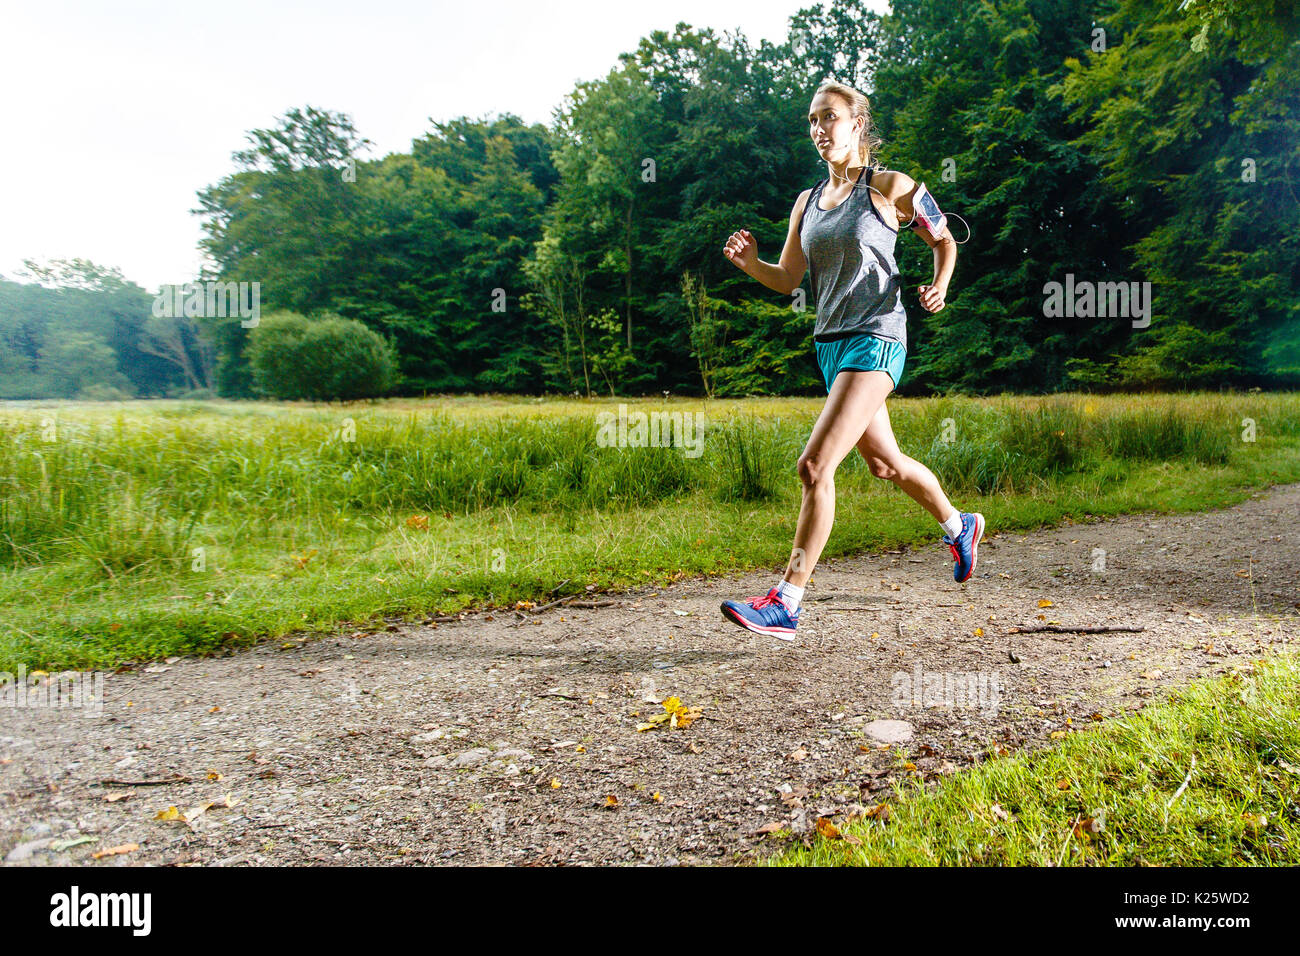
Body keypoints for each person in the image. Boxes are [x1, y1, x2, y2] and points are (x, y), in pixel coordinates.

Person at [718, 79, 984, 641]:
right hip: (831, 345)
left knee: (814, 466)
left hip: (878, 337)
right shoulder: (806, 203)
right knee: (884, 465)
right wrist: (751, 265)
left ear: (858, 123)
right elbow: (789, 277)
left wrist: (939, 284)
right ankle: (960, 526)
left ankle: (787, 600)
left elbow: (944, 240)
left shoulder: (889, 187)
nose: (819, 130)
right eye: (812, 121)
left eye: (830, 118)